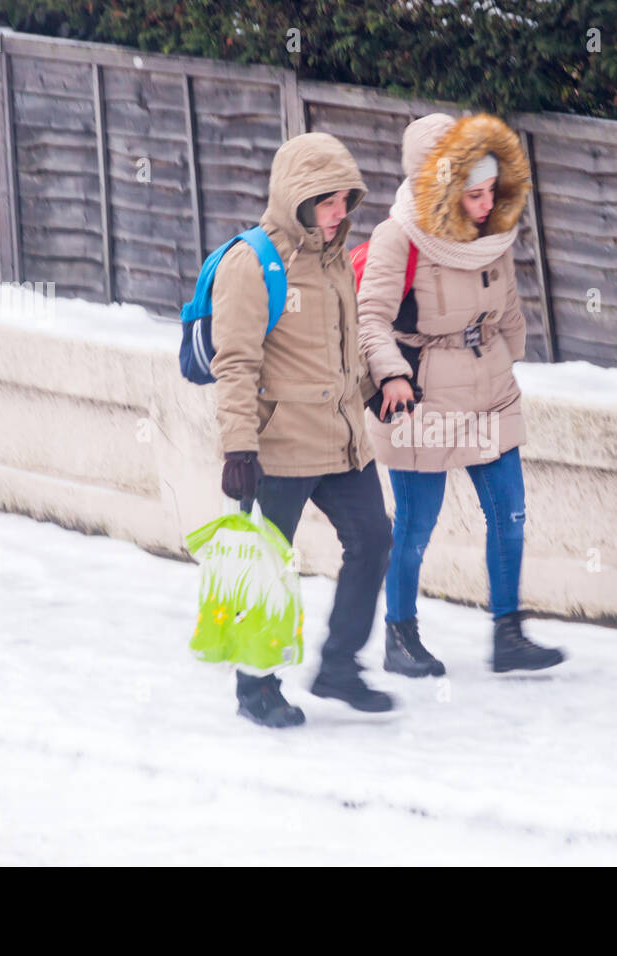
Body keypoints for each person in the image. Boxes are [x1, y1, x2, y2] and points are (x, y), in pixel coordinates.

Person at [356, 113, 566, 677]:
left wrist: (510, 357)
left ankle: (508, 633)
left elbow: (511, 307)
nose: (484, 203)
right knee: (417, 525)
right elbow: (369, 318)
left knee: (510, 512)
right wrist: (391, 374)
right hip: (422, 394)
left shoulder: (493, 234)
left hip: (489, 388)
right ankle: (400, 636)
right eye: (472, 193)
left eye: (490, 190)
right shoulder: (397, 236)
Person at [211, 131, 394, 728]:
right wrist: (238, 446)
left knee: (373, 538)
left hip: (341, 440)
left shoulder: (337, 258)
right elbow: (235, 361)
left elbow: (340, 350)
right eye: (328, 200)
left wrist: (377, 390)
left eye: (346, 199)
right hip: (280, 444)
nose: (341, 213)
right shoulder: (252, 261)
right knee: (268, 563)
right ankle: (255, 687)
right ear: (297, 197)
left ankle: (340, 665)